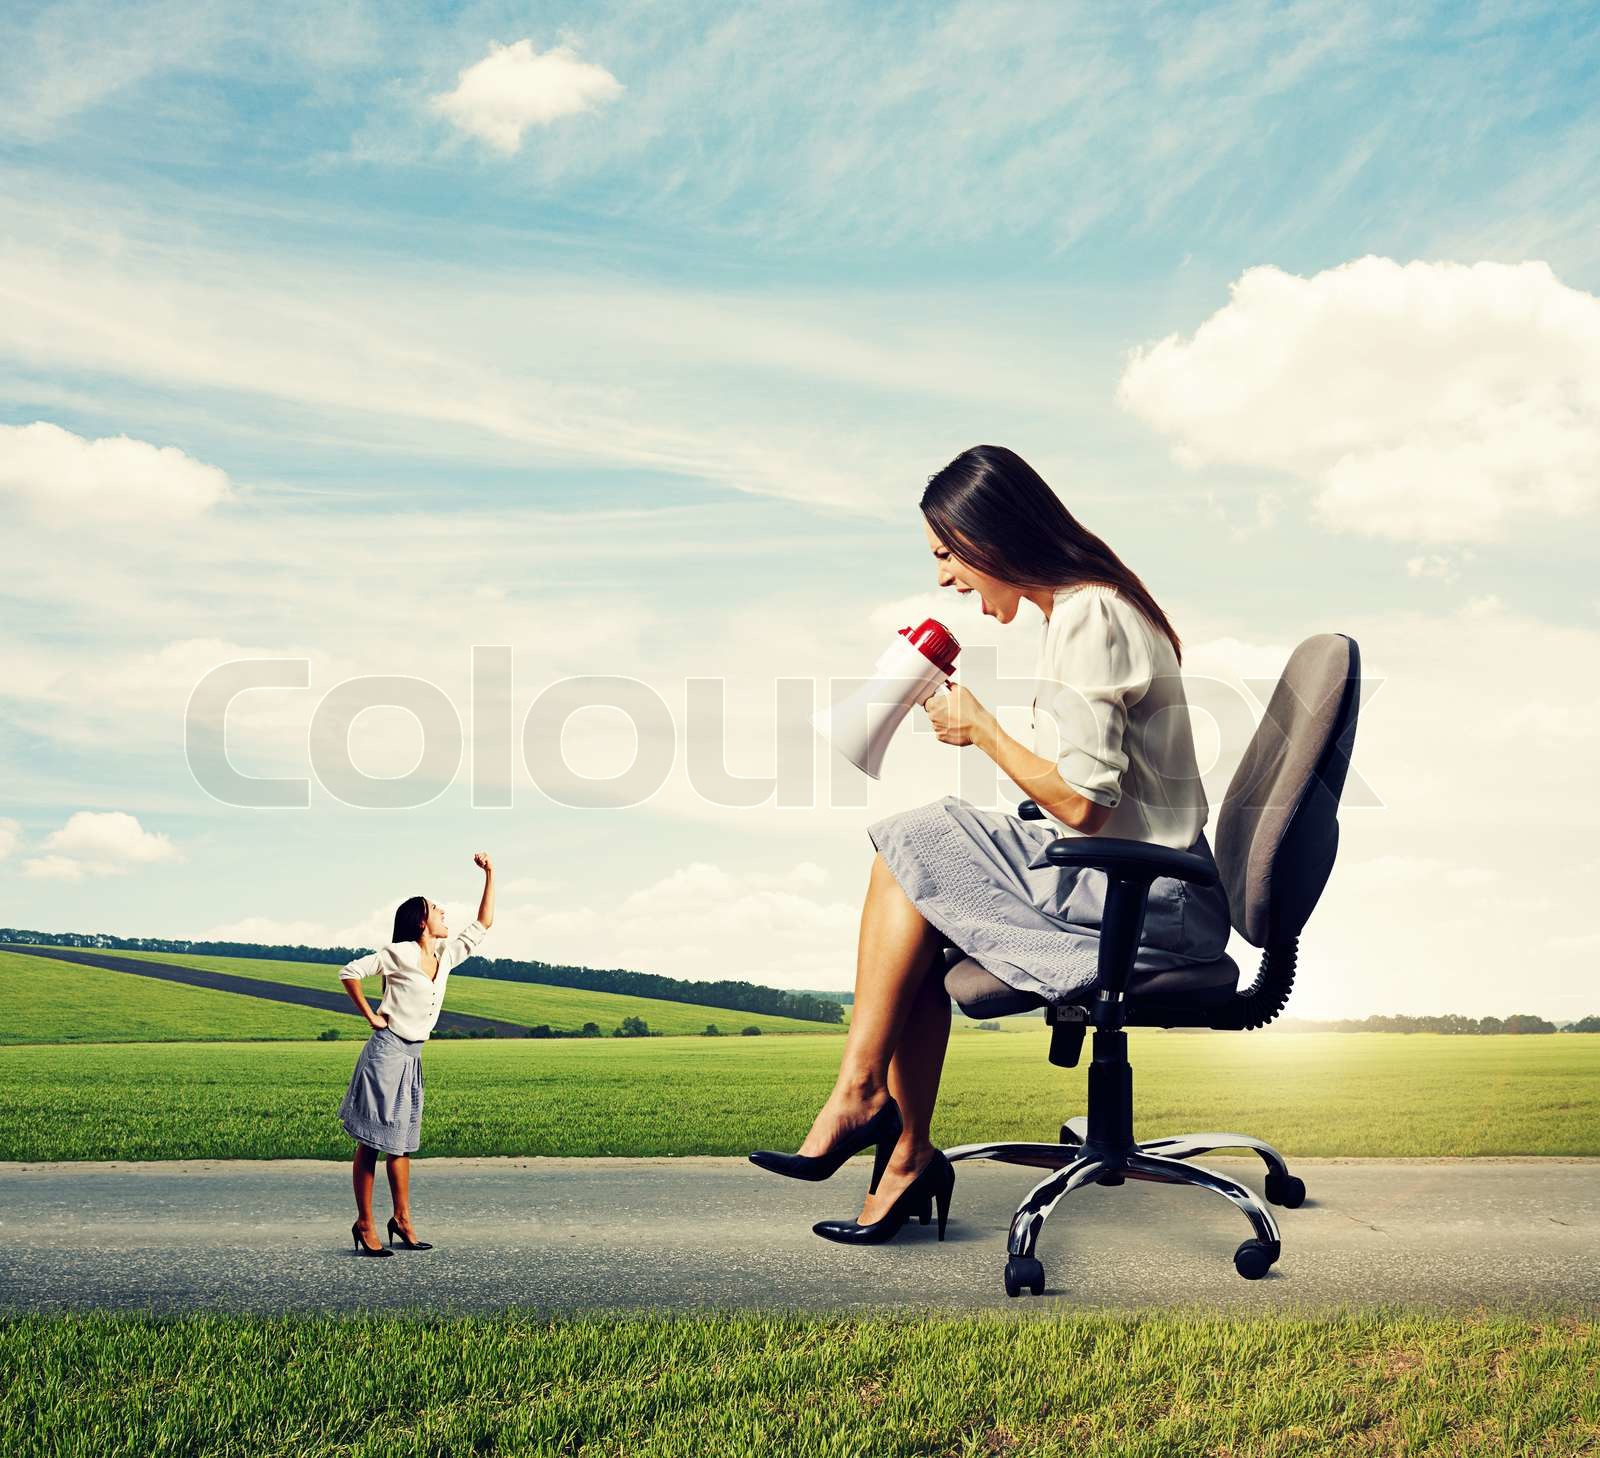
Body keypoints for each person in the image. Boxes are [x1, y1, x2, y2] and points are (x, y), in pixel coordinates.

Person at [750, 444, 1231, 1245]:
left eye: (946, 554)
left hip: (1152, 898)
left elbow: (1083, 802)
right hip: (1133, 881)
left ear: (993, 537)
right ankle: (899, 1147)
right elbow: (1088, 795)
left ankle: (873, 1109)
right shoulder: (1081, 615)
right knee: (914, 873)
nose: (944, 577)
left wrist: (985, 731)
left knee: (914, 841)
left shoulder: (1092, 617)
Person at [336, 852, 496, 1256]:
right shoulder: (401, 953)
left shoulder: (444, 958)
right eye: (436, 910)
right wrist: (372, 1015)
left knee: (401, 1144)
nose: (444, 913)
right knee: (372, 1142)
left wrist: (490, 874)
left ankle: (402, 1219)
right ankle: (365, 1223)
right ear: (421, 922)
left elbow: (484, 924)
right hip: (387, 1053)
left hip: (413, 1057)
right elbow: (350, 972)